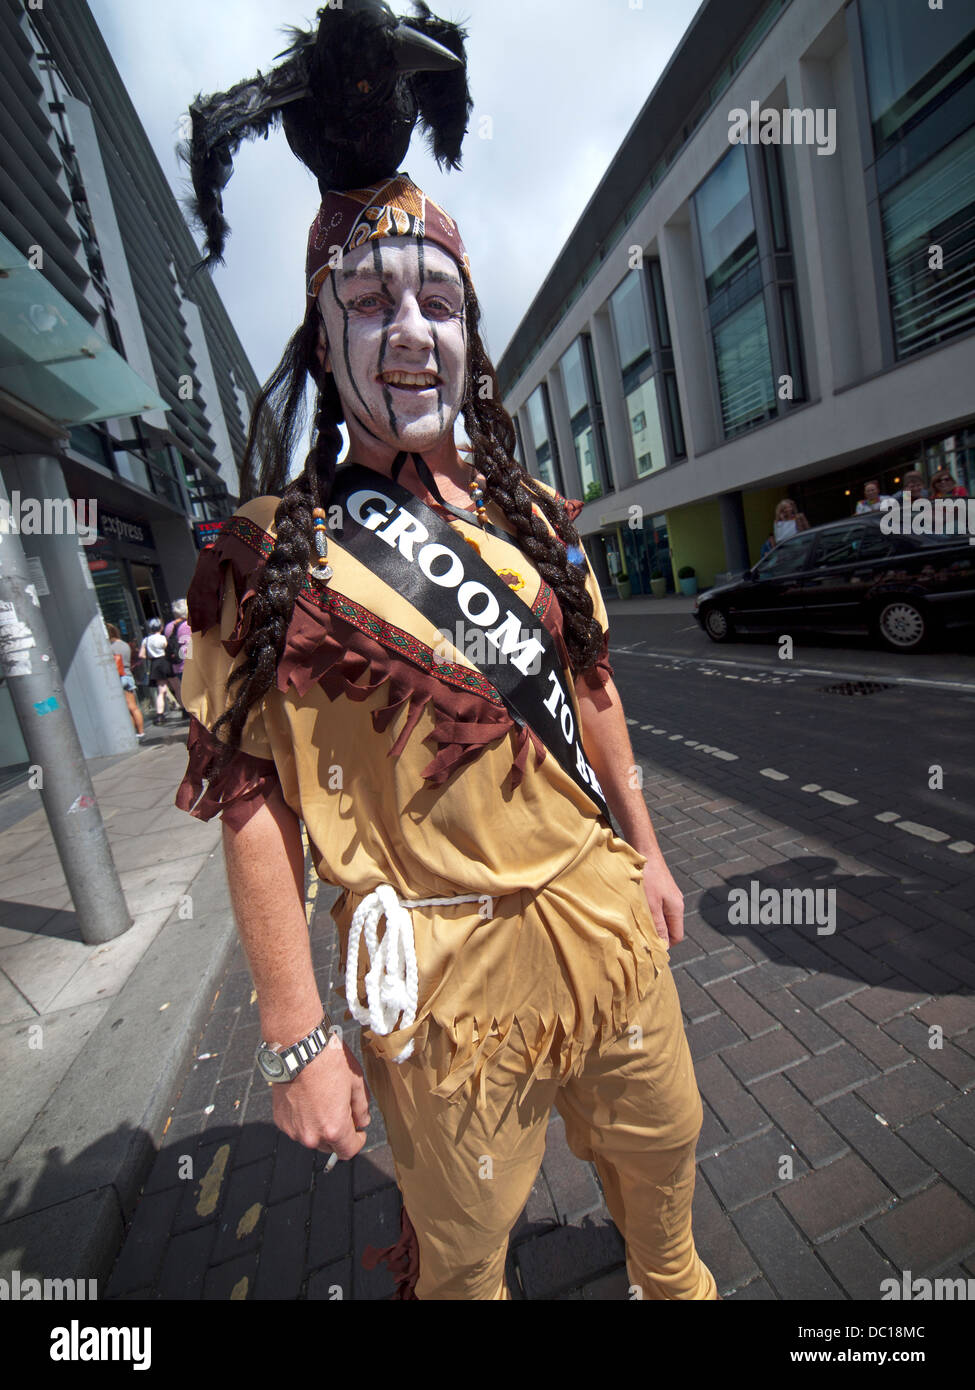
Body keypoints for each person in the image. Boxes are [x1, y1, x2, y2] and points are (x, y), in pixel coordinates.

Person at [175, 176, 719, 1303]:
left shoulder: (535, 516)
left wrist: (651, 849)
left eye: (440, 300)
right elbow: (250, 796)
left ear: (471, 331)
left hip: (605, 918)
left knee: (665, 1145)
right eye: (371, 301)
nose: (413, 330)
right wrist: (294, 1035)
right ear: (322, 342)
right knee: (465, 1247)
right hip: (440, 984)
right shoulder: (265, 557)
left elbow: (594, 686)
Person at [106, 622, 143, 738]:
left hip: (119, 677)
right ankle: (140, 732)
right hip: (128, 675)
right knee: (132, 706)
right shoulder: (124, 645)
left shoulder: (110, 648)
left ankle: (137, 732)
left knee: (129, 708)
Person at [138, 618, 174, 726]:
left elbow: (141, 655)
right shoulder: (163, 638)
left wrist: (151, 658)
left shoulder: (146, 640)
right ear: (161, 627)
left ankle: (160, 715)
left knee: (161, 690)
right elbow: (169, 651)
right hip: (165, 662)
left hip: (155, 664)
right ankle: (186, 709)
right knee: (176, 686)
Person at [162, 599, 192, 713]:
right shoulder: (188, 625)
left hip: (178, 665)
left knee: (187, 692)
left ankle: (189, 713)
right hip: (191, 663)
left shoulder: (169, 626)